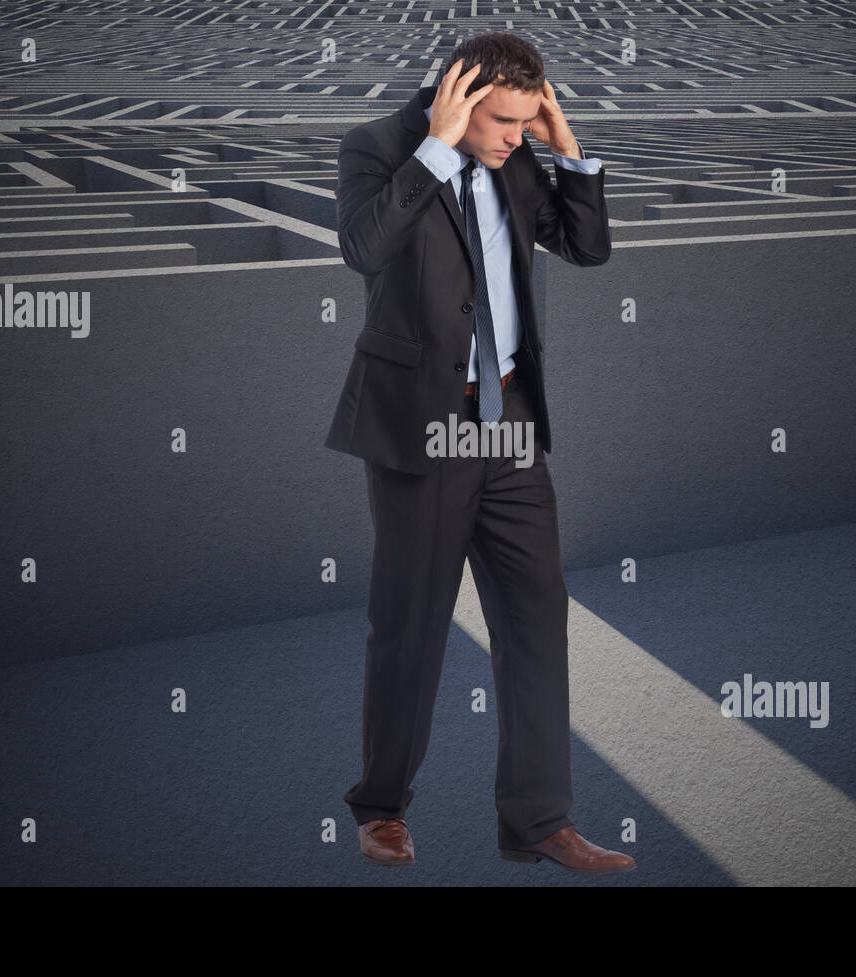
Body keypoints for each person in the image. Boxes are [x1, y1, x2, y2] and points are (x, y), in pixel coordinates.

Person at [325, 31, 634, 876]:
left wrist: (566, 151)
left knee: (537, 618)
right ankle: (381, 805)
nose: (513, 138)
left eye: (527, 124)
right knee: (411, 624)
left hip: (508, 424)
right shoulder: (377, 148)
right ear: (455, 97)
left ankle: (538, 820)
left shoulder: (523, 155)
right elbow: (362, 247)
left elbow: (586, 248)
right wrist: (432, 149)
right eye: (502, 121)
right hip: (422, 426)